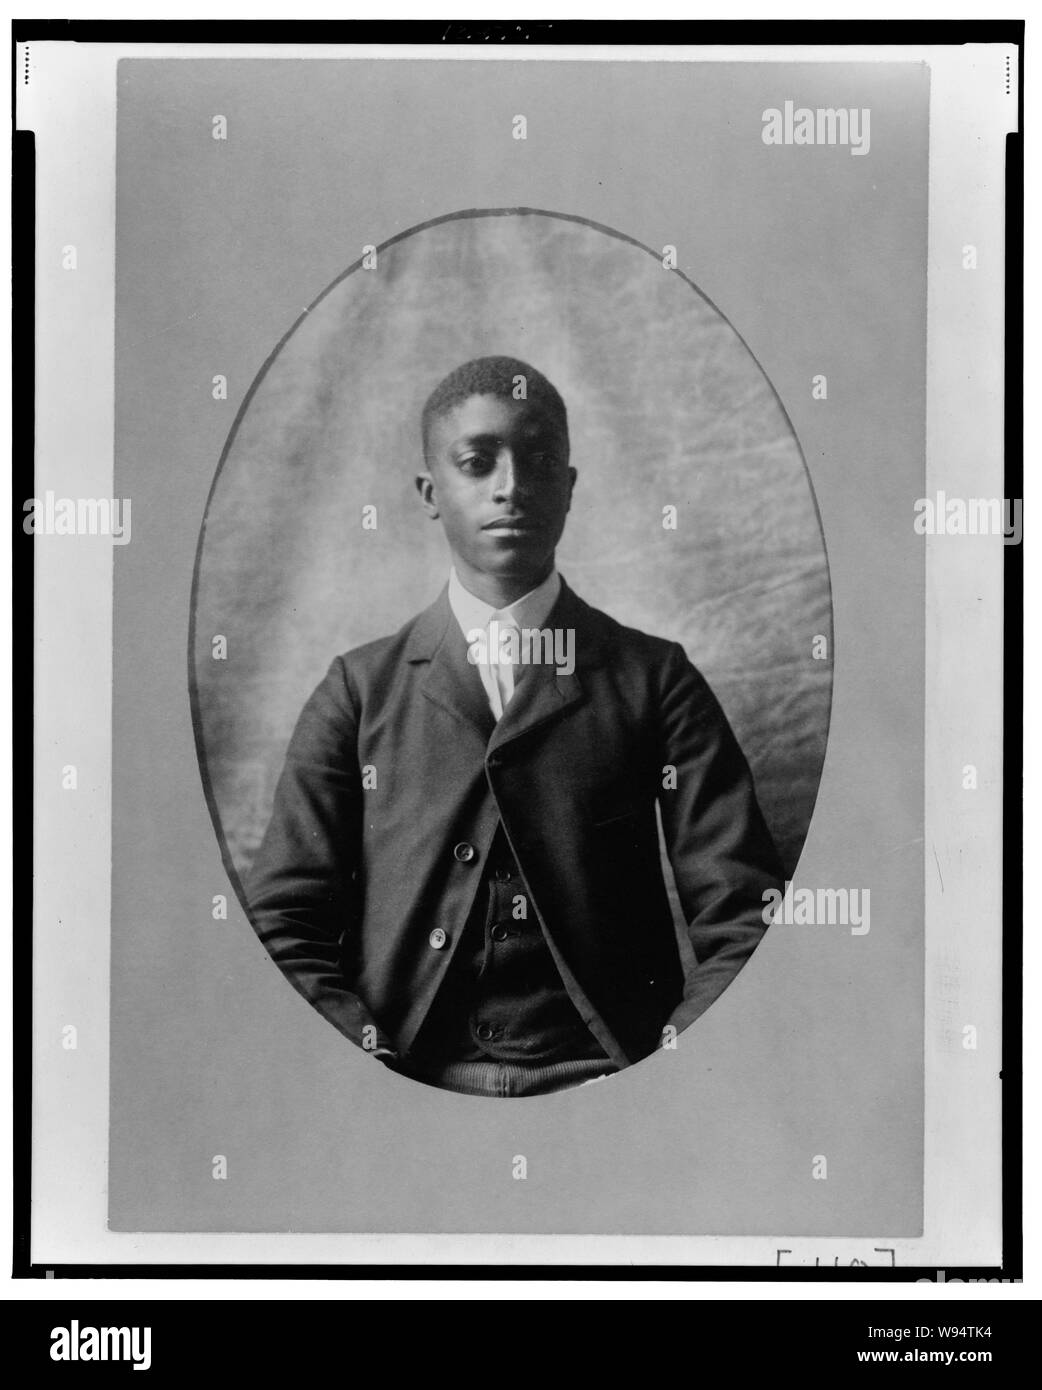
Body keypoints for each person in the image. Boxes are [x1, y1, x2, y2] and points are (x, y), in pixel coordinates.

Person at [245, 355, 783, 1098]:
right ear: (431, 494)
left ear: (567, 488)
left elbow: (745, 915)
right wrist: (370, 1072)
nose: (511, 487)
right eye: (477, 462)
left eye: (536, 461)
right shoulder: (358, 690)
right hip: (406, 1078)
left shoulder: (655, 679)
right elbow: (281, 923)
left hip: (609, 1077)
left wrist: (669, 1072)